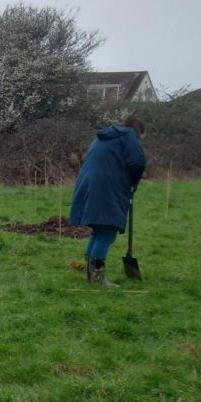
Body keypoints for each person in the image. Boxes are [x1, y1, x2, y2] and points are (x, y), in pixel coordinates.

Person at [69, 115, 147, 286]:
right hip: (105, 186)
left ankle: (91, 275)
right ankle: (97, 278)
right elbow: (138, 162)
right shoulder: (129, 135)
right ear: (139, 131)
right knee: (106, 232)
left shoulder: (105, 137)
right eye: (142, 139)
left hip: (88, 183)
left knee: (98, 231)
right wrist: (133, 183)